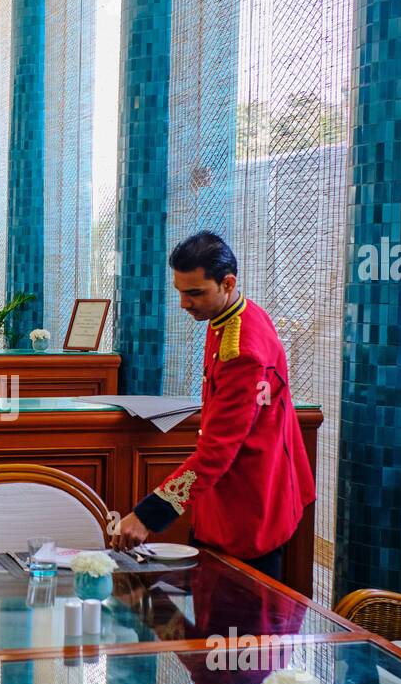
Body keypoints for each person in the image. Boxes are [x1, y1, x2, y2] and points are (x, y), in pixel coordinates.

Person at [110, 231, 315, 582]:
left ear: (228, 283)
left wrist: (148, 514)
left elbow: (217, 452)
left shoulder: (242, 351)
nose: (184, 304)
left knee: (240, 617)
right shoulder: (235, 315)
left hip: (250, 498)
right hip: (242, 488)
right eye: (179, 292)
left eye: (194, 293)